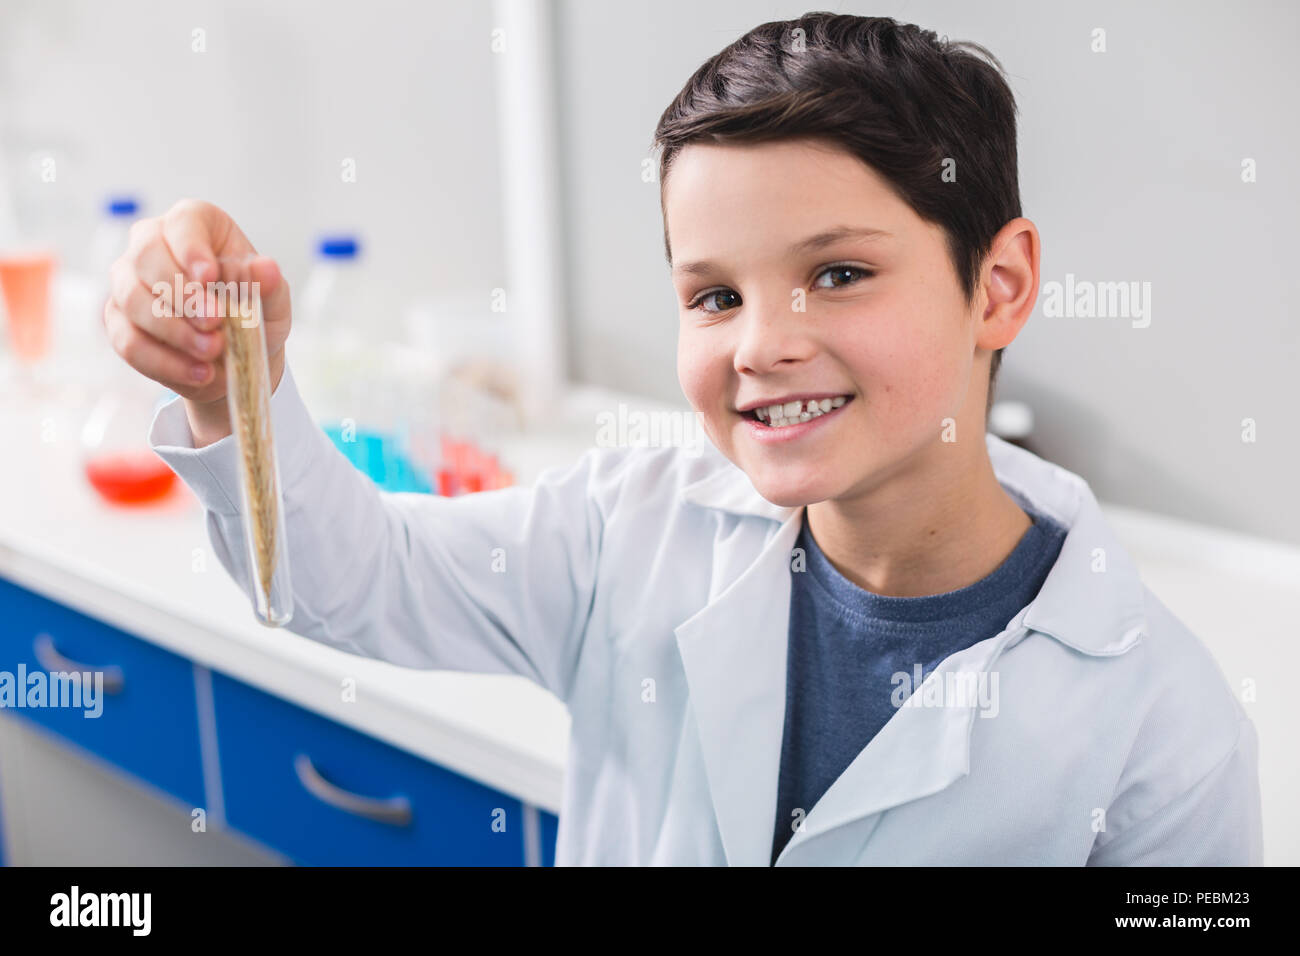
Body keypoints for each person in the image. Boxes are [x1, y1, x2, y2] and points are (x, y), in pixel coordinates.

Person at [105, 12, 1262, 865]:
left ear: (997, 286)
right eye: (714, 296)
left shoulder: (1164, 732)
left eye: (838, 273)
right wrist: (227, 384)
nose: (761, 344)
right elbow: (340, 576)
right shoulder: (628, 529)